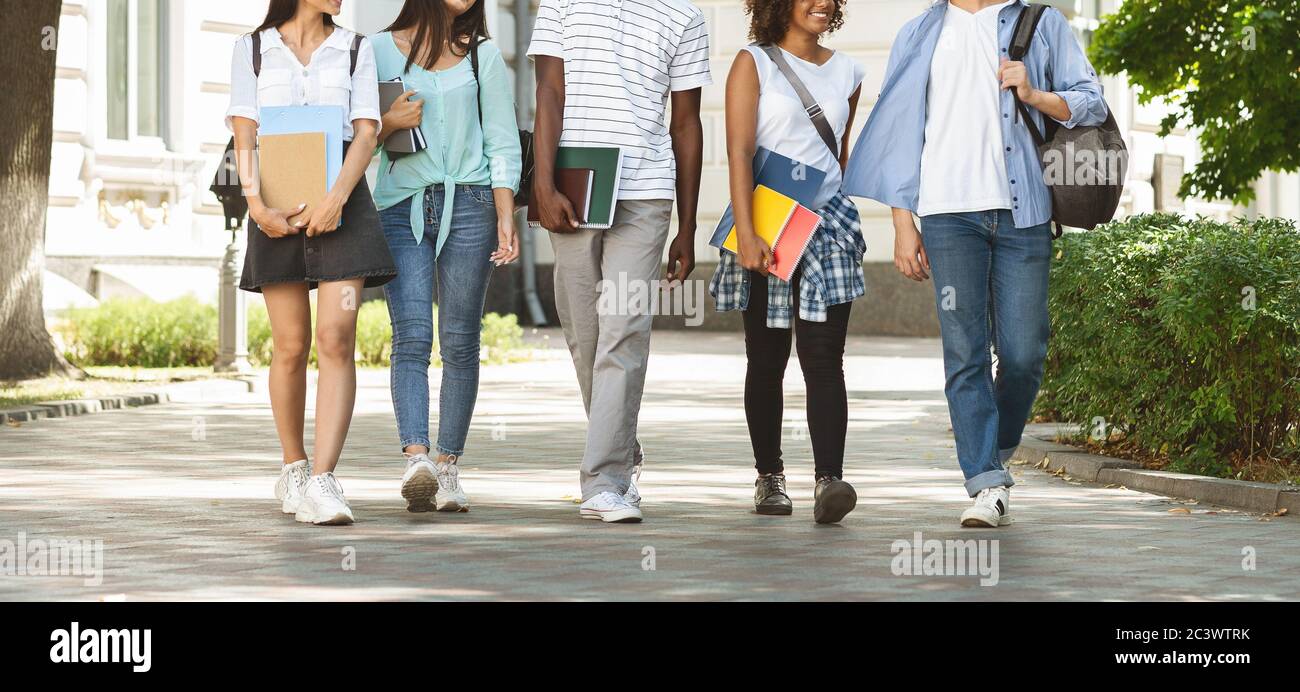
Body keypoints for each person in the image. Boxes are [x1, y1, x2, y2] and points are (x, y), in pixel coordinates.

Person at [843, 0, 1107, 527]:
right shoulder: (919, 32)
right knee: (964, 353)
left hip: (1024, 213)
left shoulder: (1042, 22)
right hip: (946, 216)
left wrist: (1035, 95)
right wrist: (902, 222)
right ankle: (986, 481)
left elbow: (1092, 102)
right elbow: (899, 132)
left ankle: (994, 456)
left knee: (1024, 353)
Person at [528, 0, 711, 523]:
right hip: (575, 184)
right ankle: (621, 448)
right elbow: (549, 92)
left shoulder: (684, 15)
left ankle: (605, 480)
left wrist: (688, 226)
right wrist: (542, 185)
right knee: (585, 333)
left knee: (624, 329)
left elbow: (686, 123)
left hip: (645, 193)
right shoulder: (560, 3)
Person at [227, 0, 395, 525]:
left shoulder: (355, 48)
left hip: (344, 204)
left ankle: (324, 479)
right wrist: (256, 207)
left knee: (336, 337)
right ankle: (294, 467)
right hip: (275, 204)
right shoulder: (252, 49)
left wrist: (336, 199)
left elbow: (366, 131)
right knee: (291, 344)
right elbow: (244, 134)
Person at [710, 0, 866, 524]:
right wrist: (748, 232)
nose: (823, 2)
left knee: (824, 358)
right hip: (768, 222)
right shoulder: (752, 62)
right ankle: (769, 476)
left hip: (826, 224)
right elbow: (738, 152)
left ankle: (829, 481)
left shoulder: (848, 72)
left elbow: (839, 153)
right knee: (766, 357)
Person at [370, 0, 522, 513]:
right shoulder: (377, 51)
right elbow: (357, 138)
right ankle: (417, 460)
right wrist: (387, 122)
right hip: (401, 205)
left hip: (472, 204)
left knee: (460, 339)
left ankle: (448, 465)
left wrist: (505, 212)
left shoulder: (482, 55)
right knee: (411, 334)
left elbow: (502, 141)